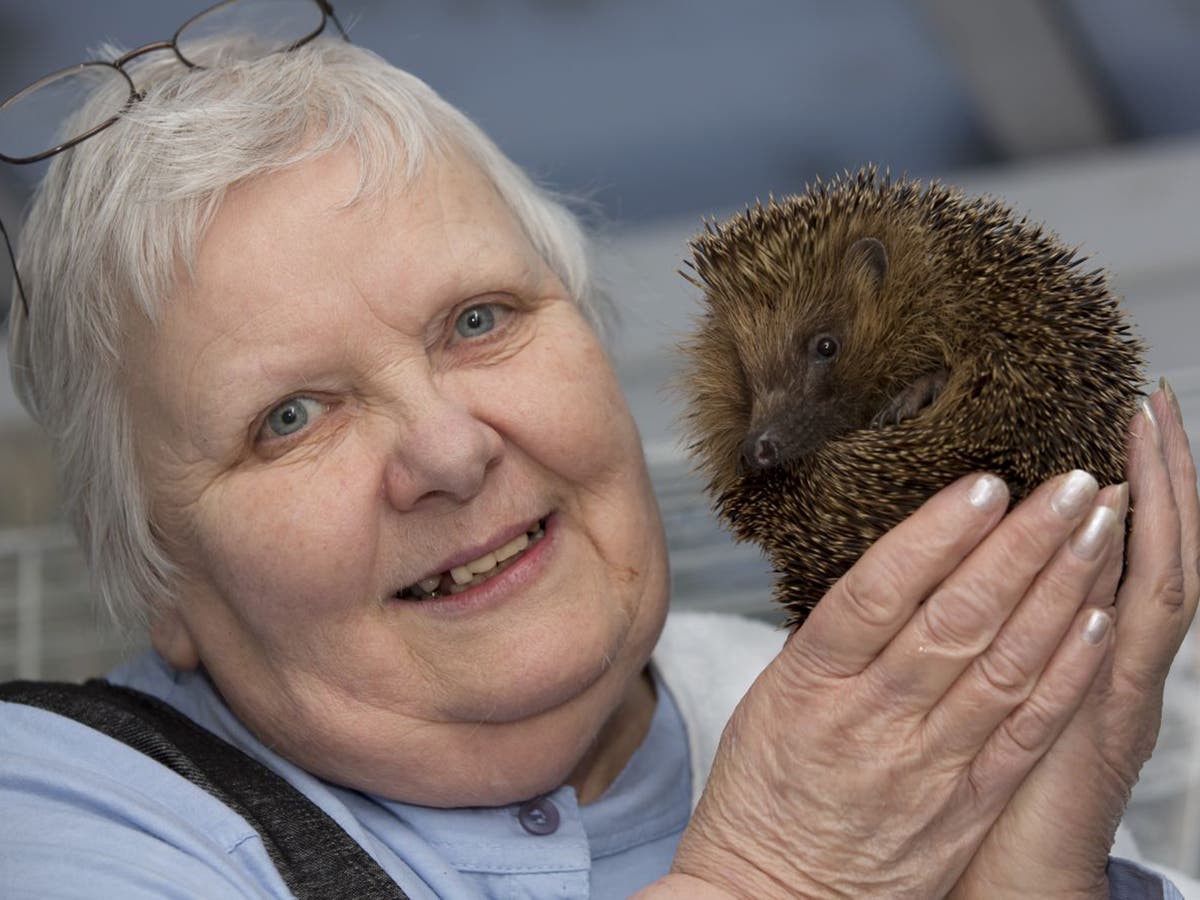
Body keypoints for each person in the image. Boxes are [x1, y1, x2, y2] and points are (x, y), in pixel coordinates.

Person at [1, 7, 1198, 898]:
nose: (450, 450)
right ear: (161, 580)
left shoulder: (887, 719)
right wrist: (776, 873)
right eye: (291, 417)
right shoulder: (54, 803)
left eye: (479, 320)